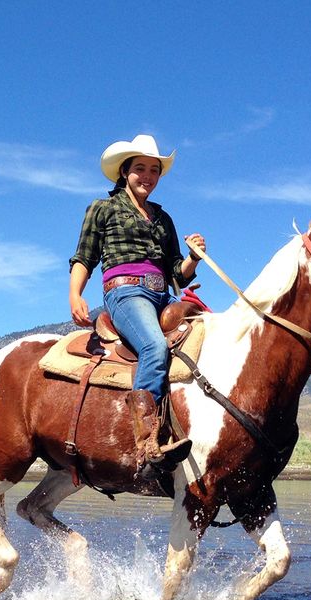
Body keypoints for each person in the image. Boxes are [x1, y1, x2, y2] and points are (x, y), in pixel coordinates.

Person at [68, 134, 207, 479]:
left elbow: (178, 275)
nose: (147, 176)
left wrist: (192, 257)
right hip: (125, 293)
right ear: (124, 172)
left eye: (154, 171)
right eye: (140, 169)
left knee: (205, 332)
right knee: (154, 346)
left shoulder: (164, 218)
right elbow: (85, 255)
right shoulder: (104, 208)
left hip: (164, 294)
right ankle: (146, 442)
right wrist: (75, 294)